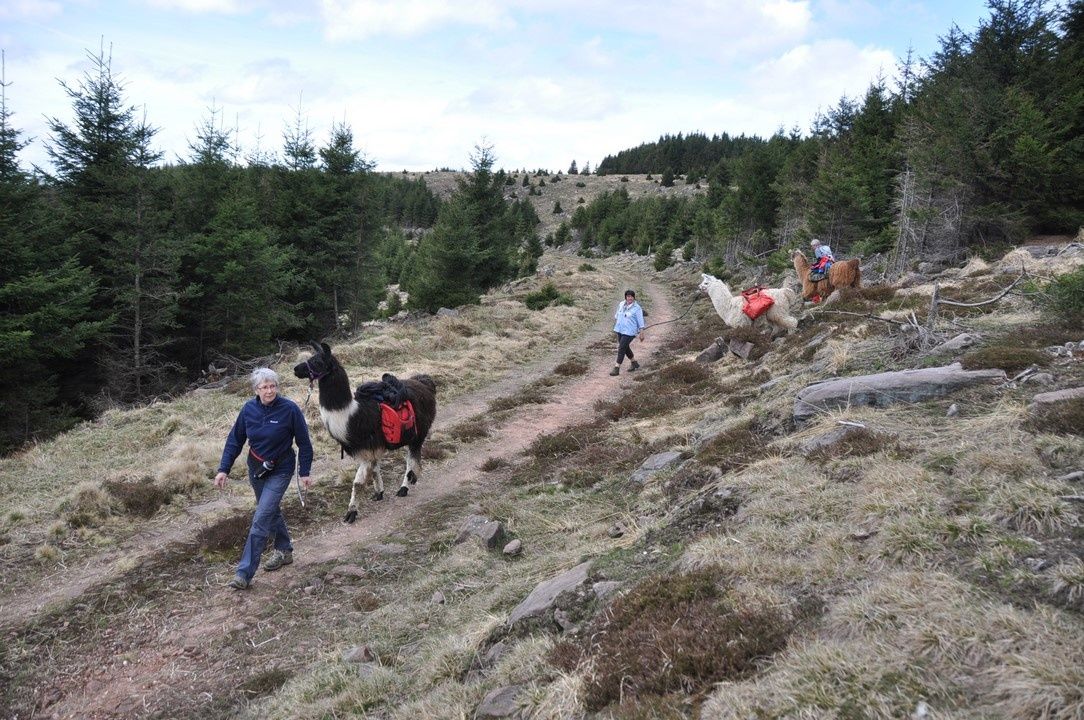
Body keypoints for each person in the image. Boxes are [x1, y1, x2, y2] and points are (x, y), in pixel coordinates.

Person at [214, 368, 314, 590]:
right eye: (265, 387)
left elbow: (305, 443)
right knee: (270, 510)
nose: (269, 391)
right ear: (256, 390)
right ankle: (285, 549)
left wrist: (304, 471)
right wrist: (223, 469)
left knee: (261, 517)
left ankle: (244, 572)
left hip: (281, 468)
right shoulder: (248, 410)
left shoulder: (289, 409)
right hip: (256, 468)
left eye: (273, 386)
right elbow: (234, 441)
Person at [610, 289, 645, 376]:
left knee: (621, 347)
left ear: (634, 297)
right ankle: (634, 363)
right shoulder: (621, 304)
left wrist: (641, 333)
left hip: (630, 331)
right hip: (620, 329)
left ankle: (616, 368)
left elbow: (641, 321)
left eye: (631, 296)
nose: (630, 298)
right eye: (628, 296)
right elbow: (617, 315)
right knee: (625, 347)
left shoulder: (637, 308)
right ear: (625, 297)